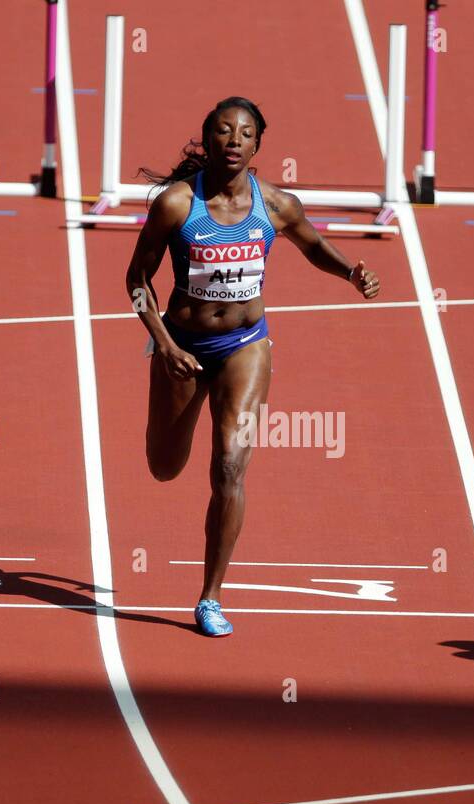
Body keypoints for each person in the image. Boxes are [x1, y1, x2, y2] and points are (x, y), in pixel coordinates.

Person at [125, 96, 380, 636]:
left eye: (245, 133)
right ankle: (174, 419)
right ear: (208, 138)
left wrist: (350, 275)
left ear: (258, 145)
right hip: (183, 347)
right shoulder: (175, 205)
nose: (235, 140)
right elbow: (135, 282)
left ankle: (210, 598)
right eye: (224, 131)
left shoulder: (278, 205)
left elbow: (315, 248)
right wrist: (165, 344)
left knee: (229, 468)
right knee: (164, 466)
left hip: (246, 345)